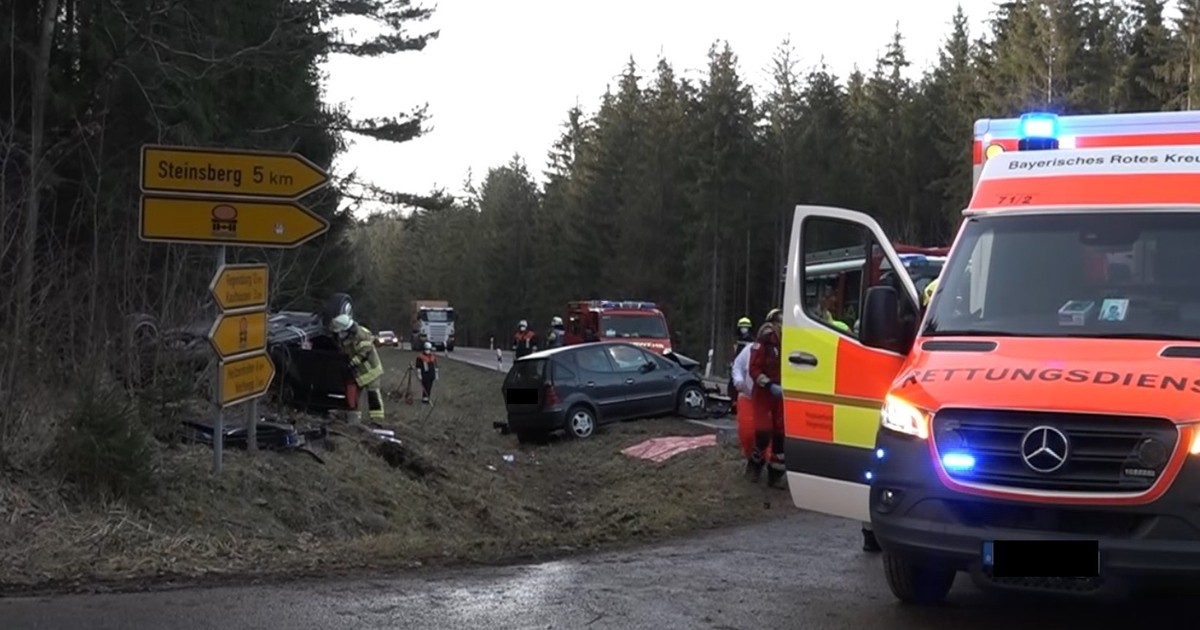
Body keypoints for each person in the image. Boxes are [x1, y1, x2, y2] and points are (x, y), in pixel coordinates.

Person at [748, 307, 786, 487]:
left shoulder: (789, 342)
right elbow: (754, 369)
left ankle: (775, 476)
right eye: (779, 321)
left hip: (781, 394)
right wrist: (769, 384)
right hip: (765, 393)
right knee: (762, 434)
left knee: (781, 435)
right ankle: (754, 468)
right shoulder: (765, 341)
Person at [330, 314, 385, 423]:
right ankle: (354, 419)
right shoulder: (348, 336)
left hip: (370, 371)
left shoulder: (360, 336)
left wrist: (352, 363)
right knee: (353, 396)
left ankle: (377, 420)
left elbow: (364, 352)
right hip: (358, 373)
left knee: (373, 395)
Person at [730, 340, 757, 463]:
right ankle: (749, 457)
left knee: (767, 433)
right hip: (748, 396)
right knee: (746, 432)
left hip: (768, 399)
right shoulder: (750, 349)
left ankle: (767, 462)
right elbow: (737, 366)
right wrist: (738, 380)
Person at [728, 316, 754, 403]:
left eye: (746, 327)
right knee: (733, 381)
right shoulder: (737, 340)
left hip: (746, 364)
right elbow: (734, 351)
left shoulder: (751, 341)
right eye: (742, 327)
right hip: (737, 362)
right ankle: (733, 400)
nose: (744, 329)